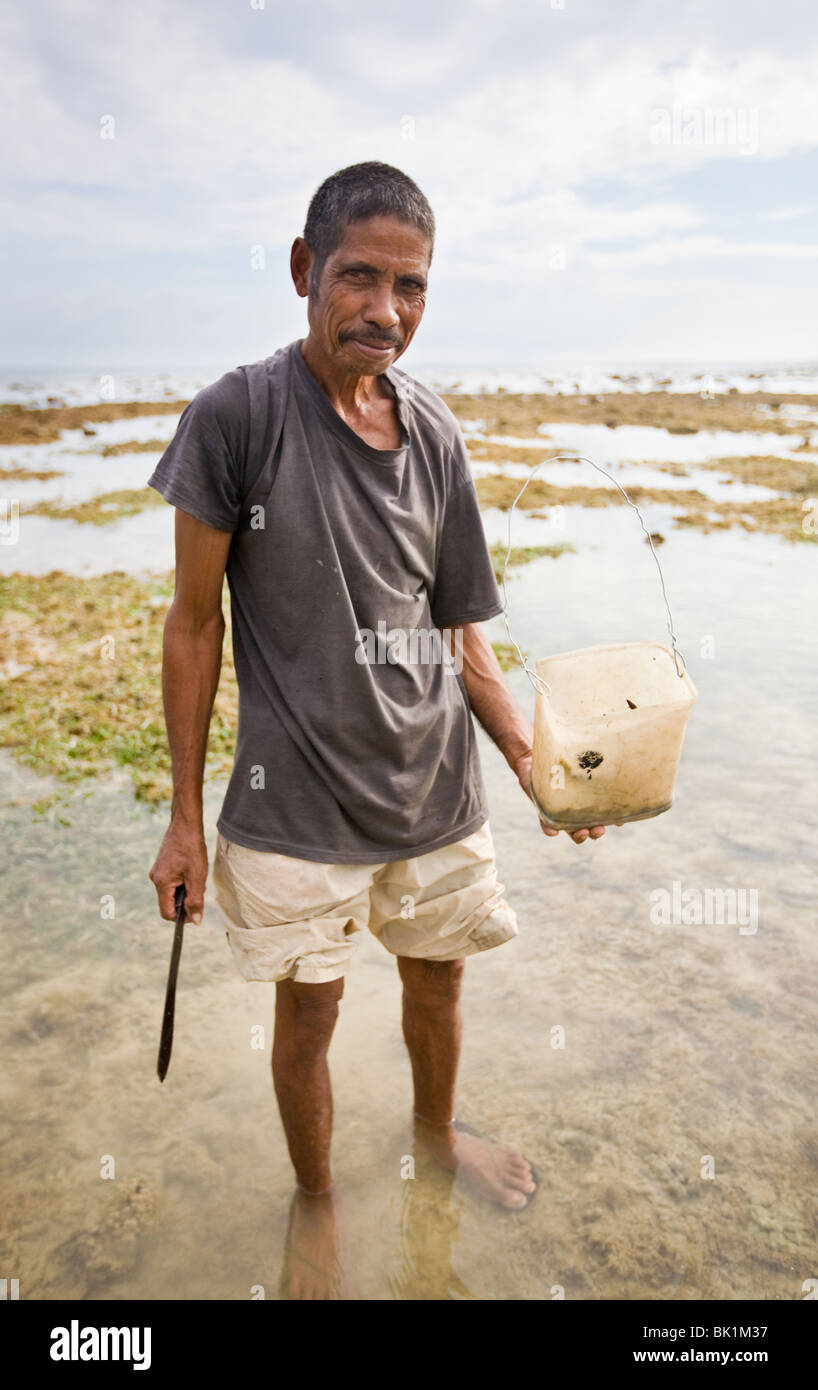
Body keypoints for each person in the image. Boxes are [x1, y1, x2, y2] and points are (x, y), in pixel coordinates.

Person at [147, 161, 605, 1299]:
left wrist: (526, 755)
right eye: (360, 277)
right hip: (296, 802)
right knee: (311, 1008)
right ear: (305, 272)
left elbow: (460, 630)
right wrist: (183, 823)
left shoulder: (436, 435)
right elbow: (194, 628)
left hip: (434, 789)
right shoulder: (238, 416)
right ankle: (314, 1197)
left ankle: (436, 1136)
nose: (384, 310)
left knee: (438, 983)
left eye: (411, 286)